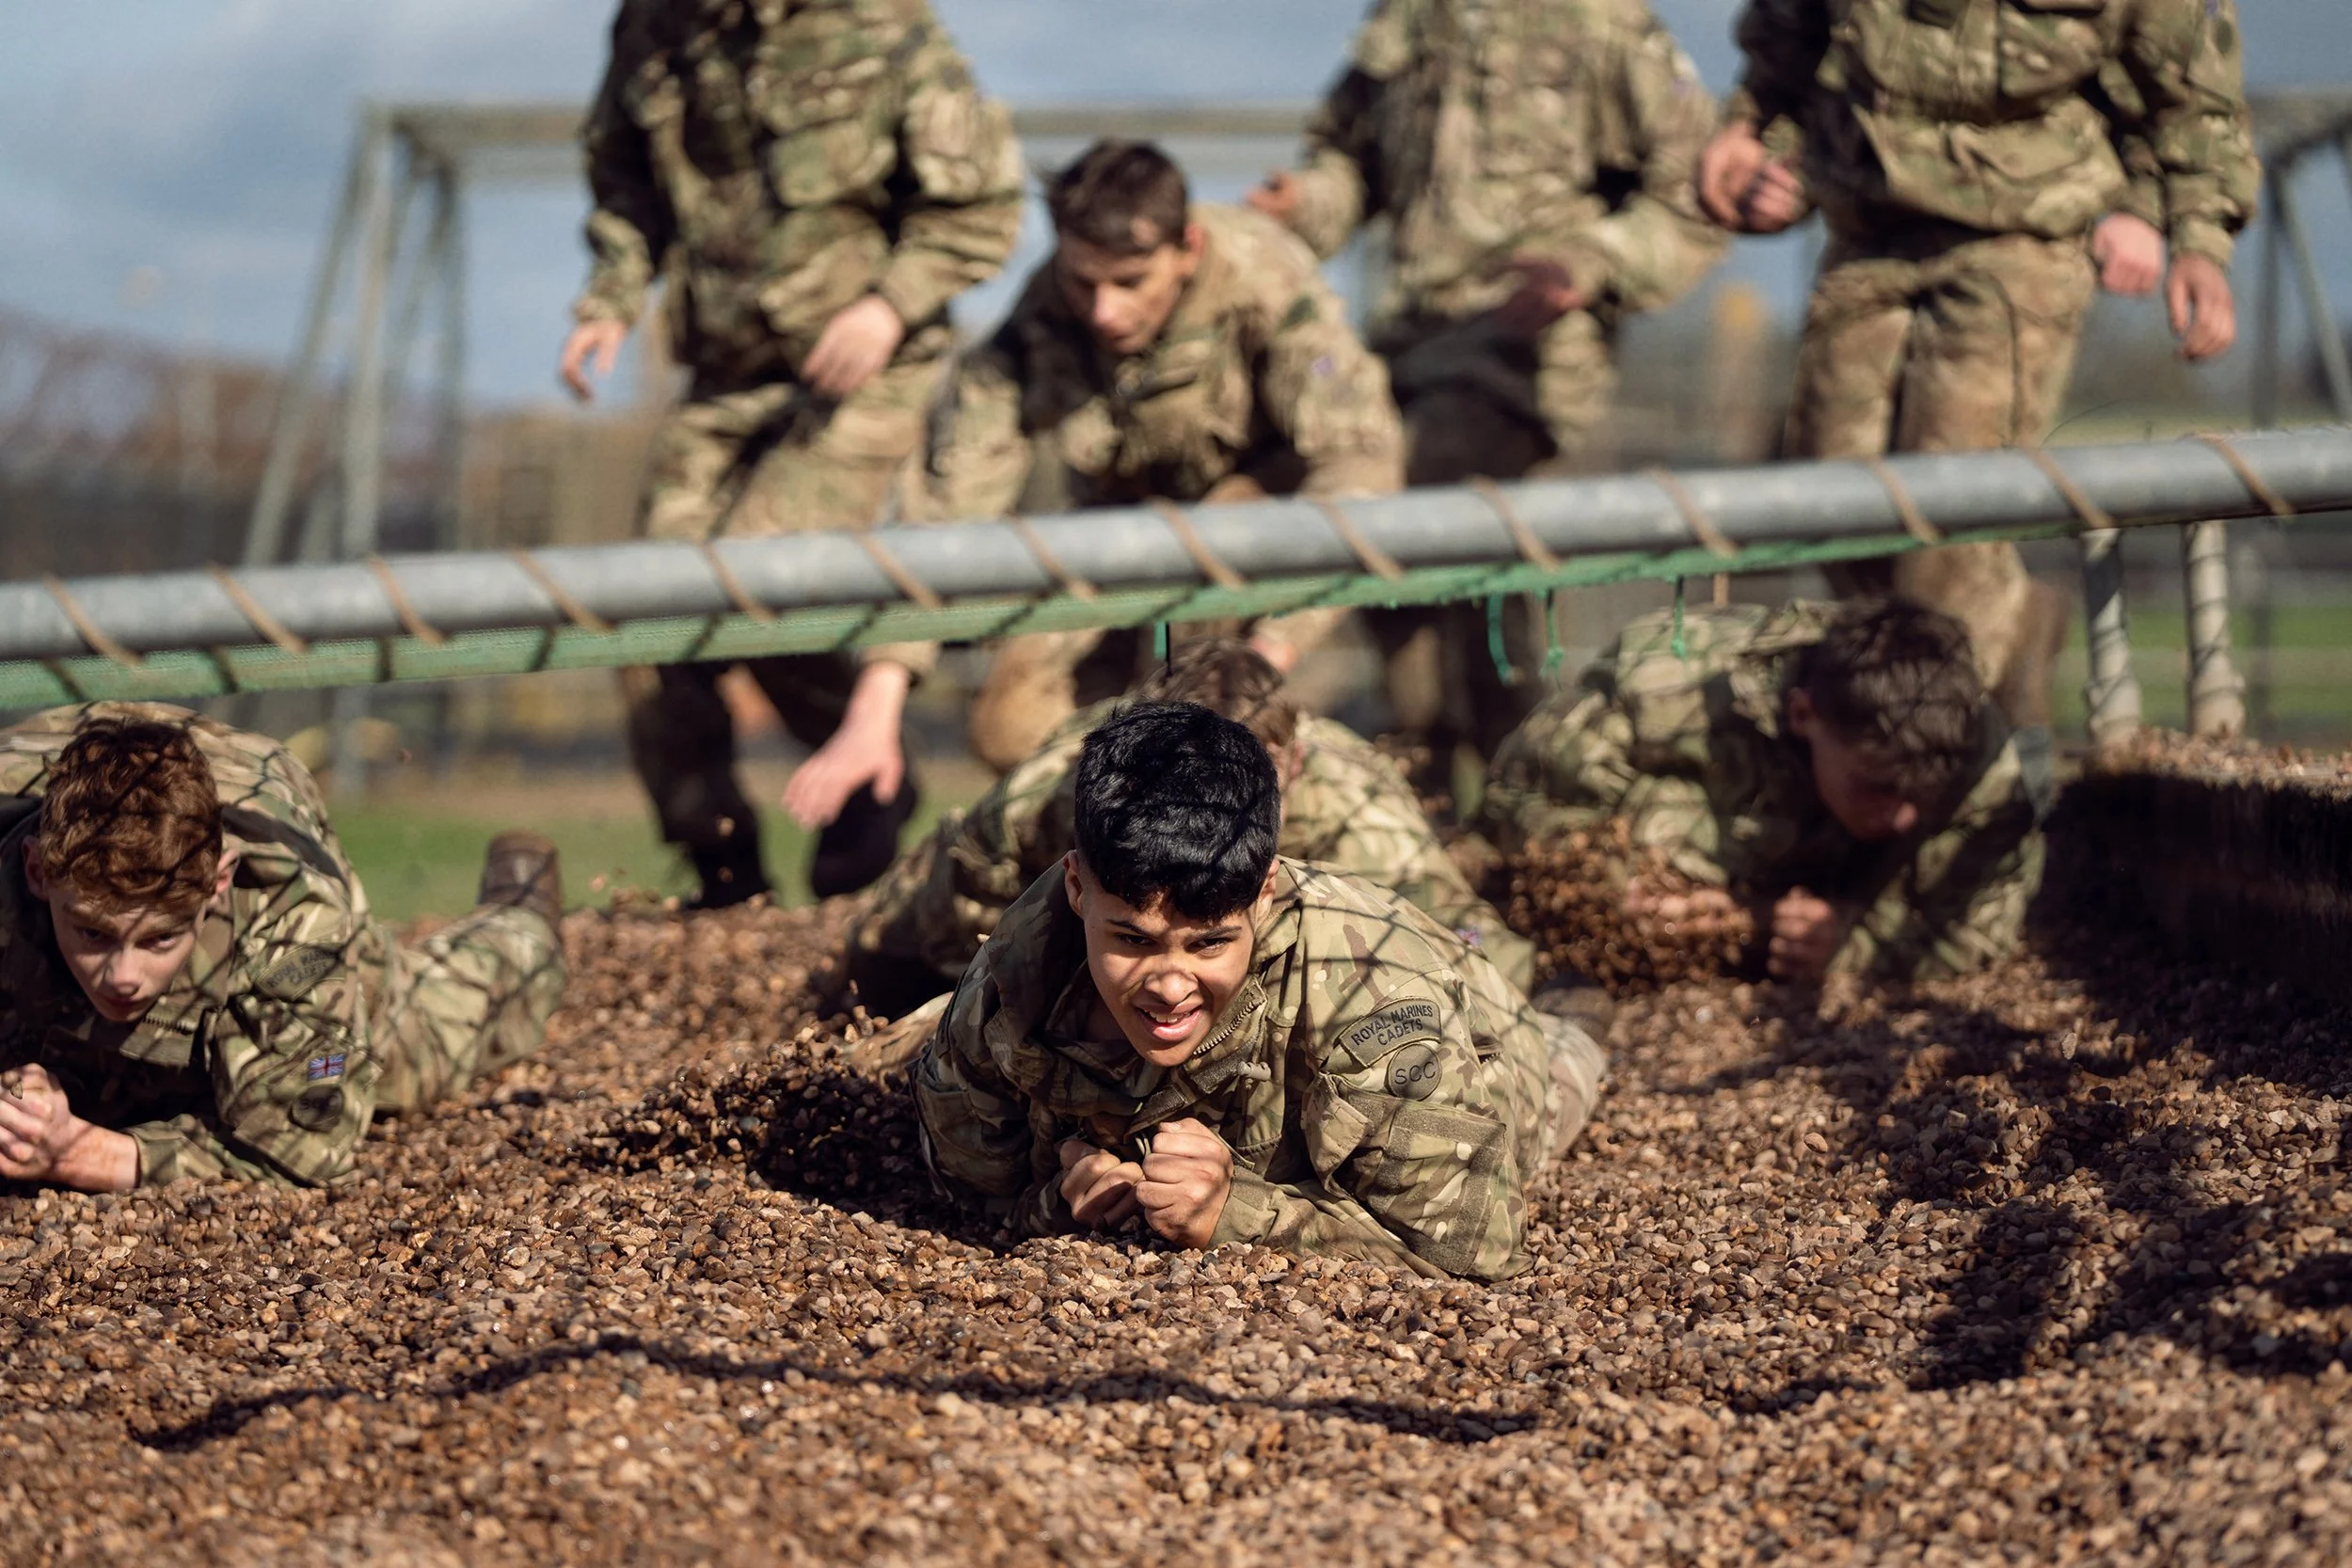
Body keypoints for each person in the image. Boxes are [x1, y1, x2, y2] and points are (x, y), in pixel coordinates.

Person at [1696, 0, 2259, 756]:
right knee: (1830, 502)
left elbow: (2193, 92)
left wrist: (2187, 233)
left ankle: (1950, 762)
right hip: (1870, 223)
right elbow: (1788, 37)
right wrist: (1750, 134)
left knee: (1949, 516)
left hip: (2024, 230)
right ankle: (2005, 629)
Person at [561, 0, 1024, 905]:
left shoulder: (883, 27)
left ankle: (868, 779)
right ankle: (723, 872)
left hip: (862, 366)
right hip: (726, 373)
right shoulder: (655, 29)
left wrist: (888, 304)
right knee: (646, 615)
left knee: (757, 574)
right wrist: (612, 296)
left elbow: (980, 207)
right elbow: (623, 176)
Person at [912, 702, 1606, 1279]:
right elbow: (962, 1192)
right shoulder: (1012, 979)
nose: (1170, 984)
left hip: (1505, 1052)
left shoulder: (1379, 989)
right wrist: (1059, 1202)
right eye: (1133, 940)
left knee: (1567, 1052)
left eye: (1210, 942)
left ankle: (1582, 1018)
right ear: (1074, 887)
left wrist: (1233, 1214)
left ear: (1264, 893)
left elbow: (1473, 1254)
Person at [1248, 0, 1726, 785]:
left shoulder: (1602, 23)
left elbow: (1692, 192)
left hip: (1524, 346)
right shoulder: (1408, 20)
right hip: (1405, 343)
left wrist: (1589, 262)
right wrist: (1302, 204)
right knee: (1402, 530)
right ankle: (1439, 764)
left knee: (1420, 500)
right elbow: (1347, 159)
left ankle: (1508, 771)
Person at [913, 138, 1406, 772]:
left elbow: (1360, 462)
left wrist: (1270, 650)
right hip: (1123, 532)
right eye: (1083, 281)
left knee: (1201, 714)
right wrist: (885, 690)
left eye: (1130, 282)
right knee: (1011, 728)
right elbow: (954, 503)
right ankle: (1095, 842)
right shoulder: (1043, 311)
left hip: (1257, 532)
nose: (1104, 311)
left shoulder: (1263, 275)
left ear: (1187, 250)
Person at [0, 705, 565, 1191]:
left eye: (160, 937)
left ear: (219, 881)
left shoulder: (292, 919)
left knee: (446, 1018)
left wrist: (79, 1153)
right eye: (95, 933)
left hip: (278, 882)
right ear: (36, 871)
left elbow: (298, 1149)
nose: (124, 975)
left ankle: (517, 919)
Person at [845, 639, 1532, 1019]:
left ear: (1291, 765)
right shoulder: (1058, 783)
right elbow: (966, 889)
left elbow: (1465, 941)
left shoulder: (1360, 816)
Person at [1478, 598, 2042, 984]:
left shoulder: (1969, 746)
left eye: (1925, 794)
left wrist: (1854, 943)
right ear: (1803, 714)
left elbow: (1979, 922)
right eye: (1878, 787)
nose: (1903, 817)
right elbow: (1519, 802)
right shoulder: (1670, 682)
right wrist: (1619, 890)